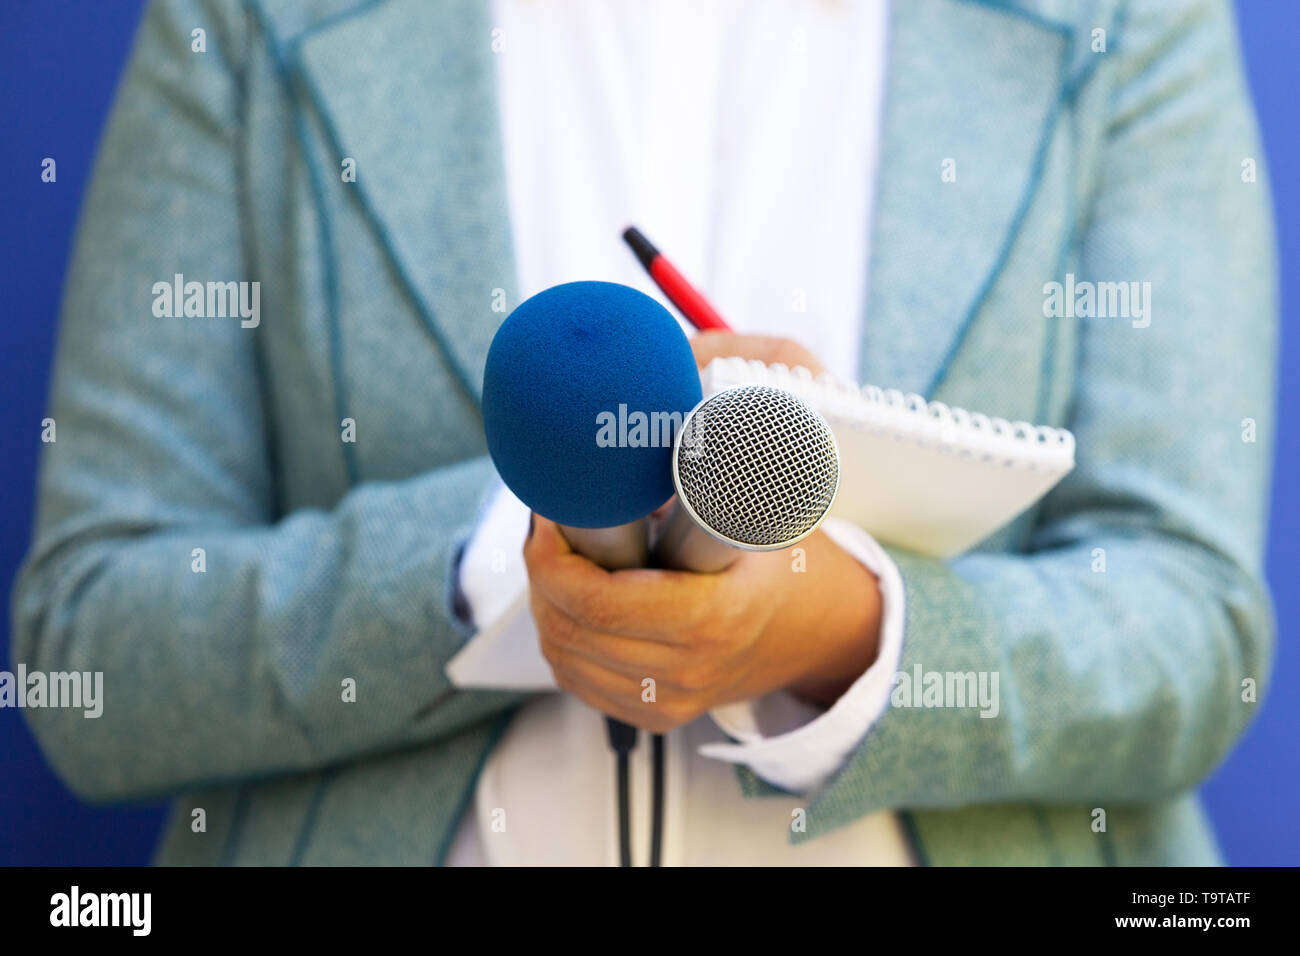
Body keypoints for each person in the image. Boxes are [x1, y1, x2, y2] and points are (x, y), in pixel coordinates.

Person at [13, 0, 1276, 866]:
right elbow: (95, 657)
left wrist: (840, 627)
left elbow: (1193, 628)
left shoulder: (1123, 21)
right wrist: (511, 541)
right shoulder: (254, 21)